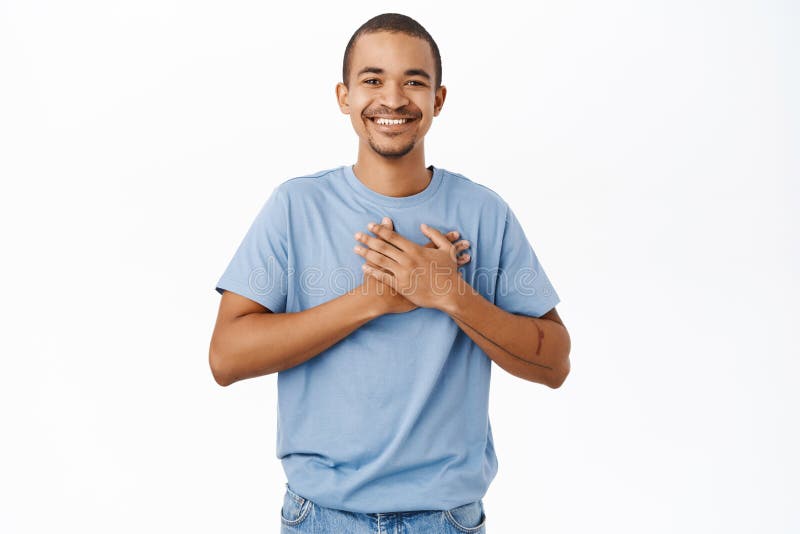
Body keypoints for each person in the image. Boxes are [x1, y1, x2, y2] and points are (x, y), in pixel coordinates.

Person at [209, 12, 571, 533]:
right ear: (344, 96)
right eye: (373, 80)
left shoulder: (484, 213)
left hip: (446, 519)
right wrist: (373, 300)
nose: (393, 99)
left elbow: (554, 362)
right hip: (320, 517)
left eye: (414, 82)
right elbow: (225, 358)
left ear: (438, 100)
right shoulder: (295, 206)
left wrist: (451, 295)